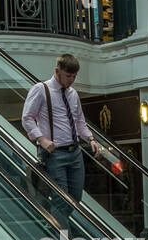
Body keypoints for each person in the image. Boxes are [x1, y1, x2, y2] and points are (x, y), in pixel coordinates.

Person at [21, 54, 100, 227]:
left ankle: (51, 223)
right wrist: (42, 140)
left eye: (74, 76)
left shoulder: (73, 94)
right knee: (61, 199)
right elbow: (27, 118)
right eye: (68, 76)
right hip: (54, 153)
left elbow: (79, 121)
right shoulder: (41, 89)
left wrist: (90, 138)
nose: (71, 80)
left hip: (75, 153)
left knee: (75, 198)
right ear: (57, 71)